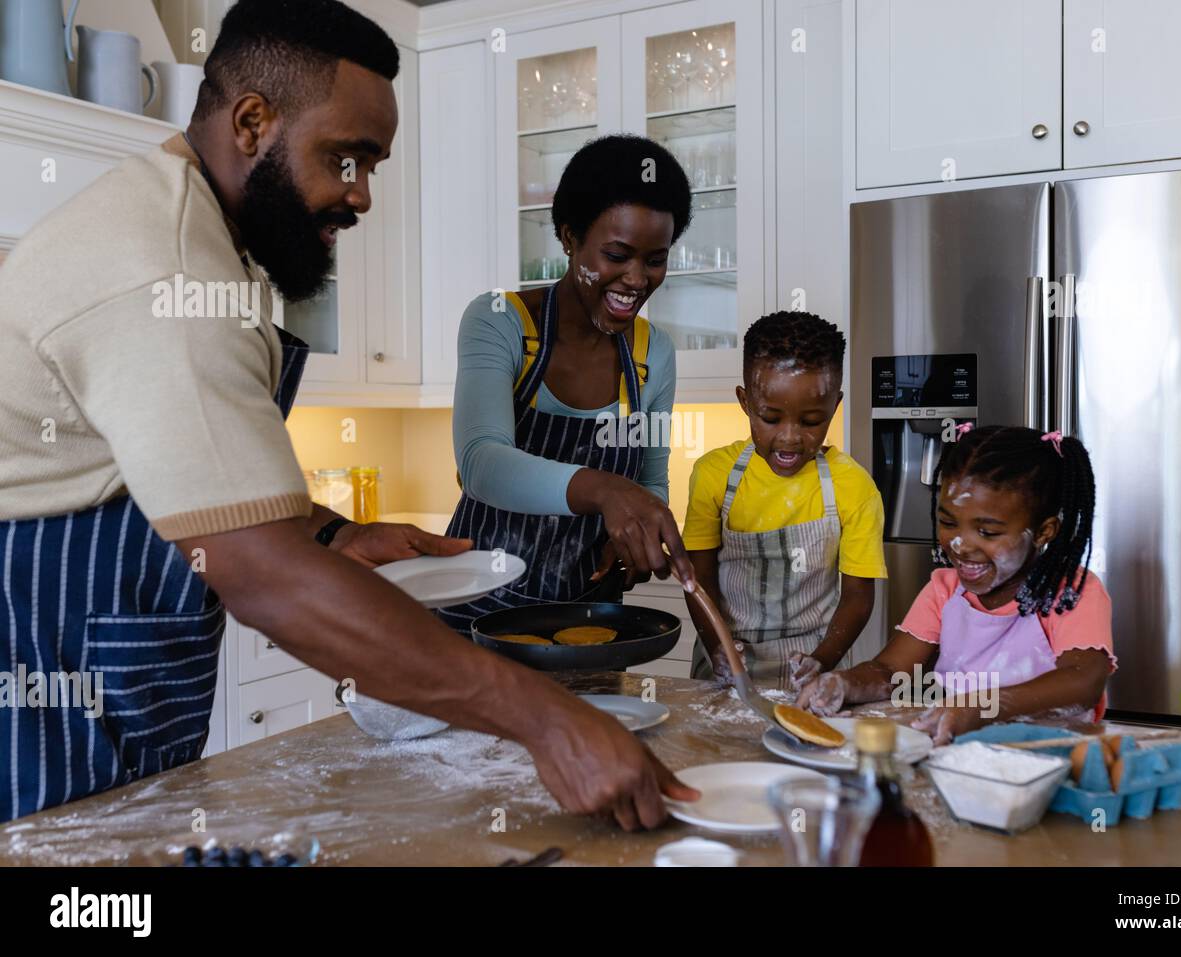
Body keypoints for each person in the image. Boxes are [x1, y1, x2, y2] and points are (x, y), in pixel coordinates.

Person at [0, 0, 695, 828]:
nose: (360, 196)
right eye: (346, 159)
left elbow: (178, 488)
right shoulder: (170, 277)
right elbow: (264, 576)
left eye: (373, 166)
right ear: (253, 121)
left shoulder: (211, 251)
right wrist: (549, 719)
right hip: (41, 724)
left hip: (114, 713)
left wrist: (331, 533)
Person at [438, 134, 696, 635]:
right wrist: (604, 491)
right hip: (473, 618)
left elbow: (649, 475)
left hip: (584, 620)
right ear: (568, 237)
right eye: (617, 255)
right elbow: (482, 463)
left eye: (655, 259)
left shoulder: (653, 354)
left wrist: (633, 532)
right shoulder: (501, 320)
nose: (637, 279)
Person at [798, 425, 1117, 743]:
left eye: (988, 532)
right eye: (949, 523)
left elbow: (1083, 681)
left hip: (1048, 754)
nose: (961, 545)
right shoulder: (945, 590)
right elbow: (891, 672)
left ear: (1045, 531)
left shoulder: (1071, 592)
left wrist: (984, 706)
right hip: (956, 751)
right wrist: (845, 683)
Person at [681, 311, 888, 691]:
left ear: (834, 406)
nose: (791, 438)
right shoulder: (713, 474)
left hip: (814, 660)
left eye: (811, 421)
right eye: (771, 418)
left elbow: (858, 598)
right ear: (745, 402)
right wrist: (717, 647)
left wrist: (822, 661)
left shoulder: (853, 486)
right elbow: (699, 580)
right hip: (725, 654)